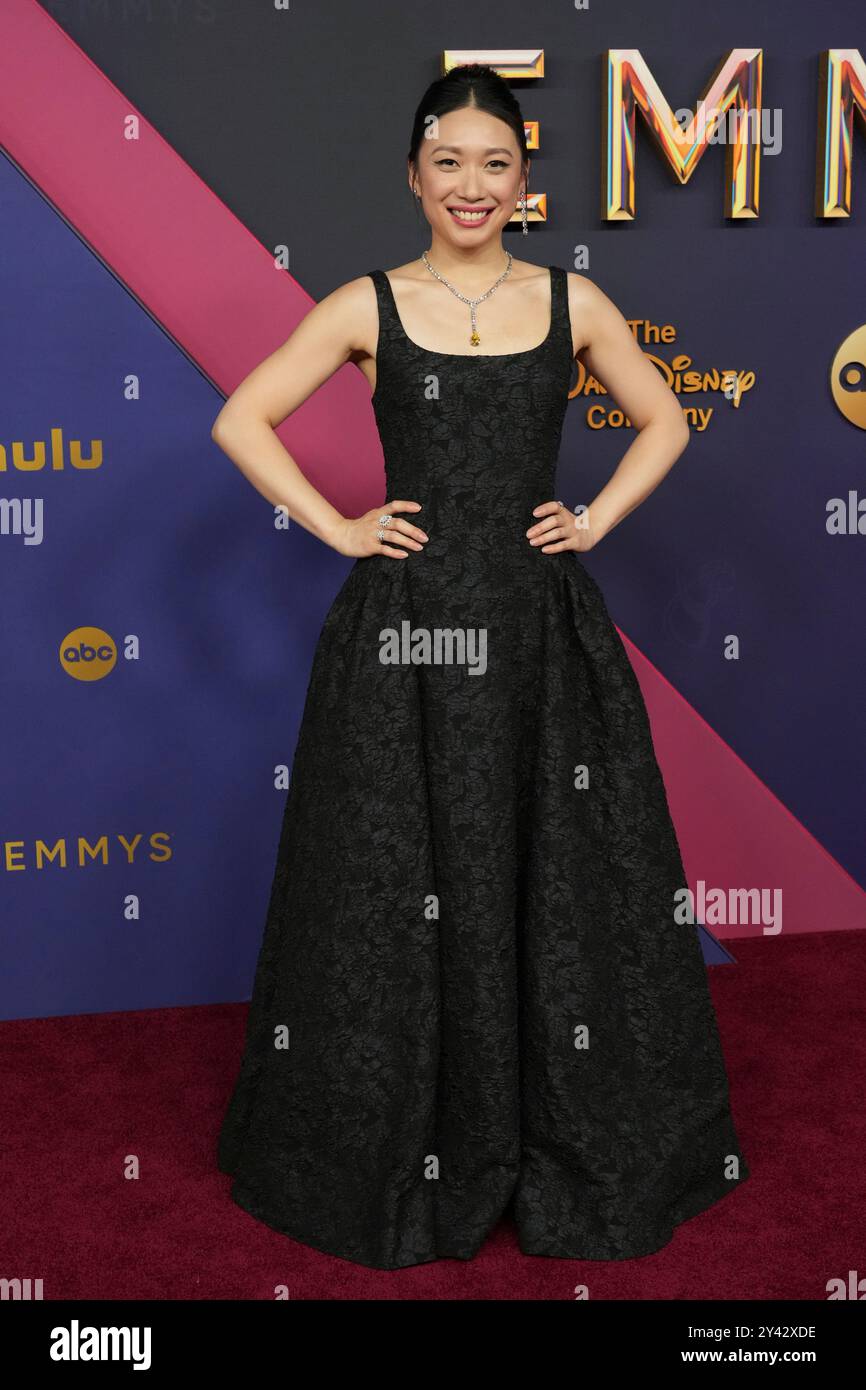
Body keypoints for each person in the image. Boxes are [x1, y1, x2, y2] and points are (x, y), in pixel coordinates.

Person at [213, 63, 750, 1270]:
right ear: (413, 176)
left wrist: (593, 520)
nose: (470, 184)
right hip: (403, 640)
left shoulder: (571, 304)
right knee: (392, 883)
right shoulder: (366, 304)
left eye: (493, 163)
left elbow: (661, 418)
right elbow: (241, 416)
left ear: (522, 182)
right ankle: (407, 1145)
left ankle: (558, 1136)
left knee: (558, 881)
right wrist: (342, 526)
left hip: (534, 637)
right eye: (446, 161)